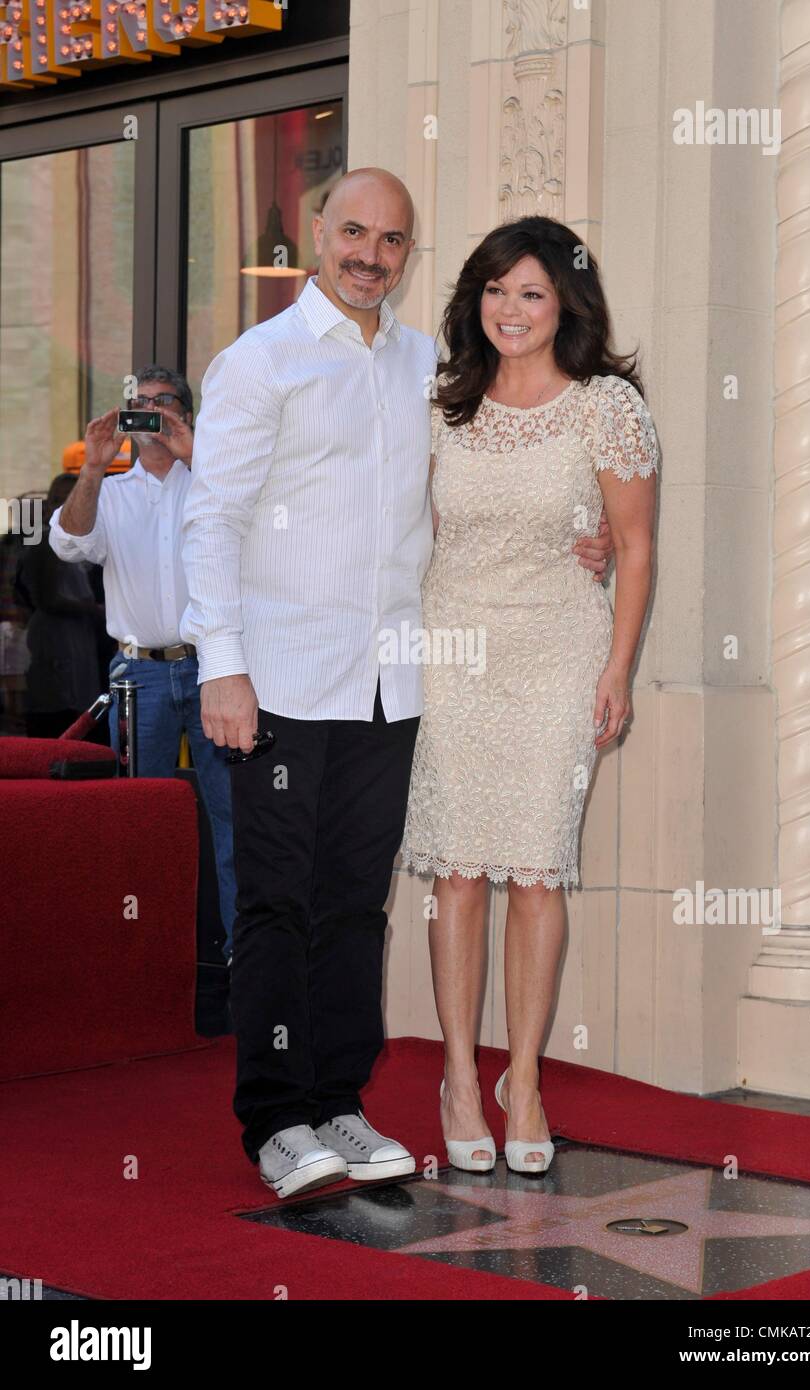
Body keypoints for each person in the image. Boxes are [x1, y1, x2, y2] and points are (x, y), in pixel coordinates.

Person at [180, 168, 615, 1200]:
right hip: (280, 680)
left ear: (409, 257)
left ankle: (338, 1099)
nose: (371, 253)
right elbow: (212, 520)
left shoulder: (430, 366)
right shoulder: (259, 364)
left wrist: (579, 539)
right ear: (316, 235)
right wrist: (222, 666)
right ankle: (277, 1119)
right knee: (276, 907)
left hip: (395, 687)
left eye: (392, 240)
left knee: (355, 907)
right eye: (354, 232)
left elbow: (495, 478)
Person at [400, 215, 659, 1175]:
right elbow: (404, 532)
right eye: (497, 290)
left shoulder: (606, 408)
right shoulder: (441, 403)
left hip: (558, 653)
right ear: (475, 299)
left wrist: (618, 670)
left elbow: (633, 548)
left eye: (533, 292)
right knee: (460, 871)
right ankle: (461, 1079)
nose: (511, 309)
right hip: (455, 652)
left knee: (539, 872)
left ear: (566, 305)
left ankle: (528, 1081)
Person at [48, 368, 237, 962]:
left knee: (232, 818)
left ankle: (240, 959)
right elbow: (68, 542)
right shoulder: (112, 491)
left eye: (164, 404)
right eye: (140, 405)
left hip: (214, 668)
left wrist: (197, 453)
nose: (150, 413)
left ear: (185, 414)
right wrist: (95, 468)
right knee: (138, 820)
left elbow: (255, 516)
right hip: (139, 676)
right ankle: (144, 959)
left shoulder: (213, 481)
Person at [17, 473, 105, 739]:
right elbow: (47, 598)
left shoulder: (88, 535)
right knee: (58, 708)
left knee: (79, 706)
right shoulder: (44, 542)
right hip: (56, 635)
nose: (64, 504)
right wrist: (92, 609)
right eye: (57, 499)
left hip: (79, 635)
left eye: (70, 497)